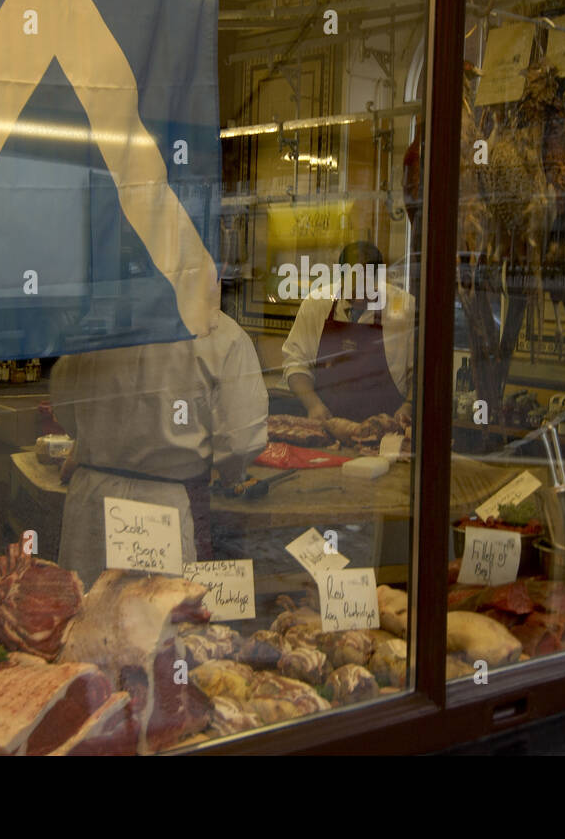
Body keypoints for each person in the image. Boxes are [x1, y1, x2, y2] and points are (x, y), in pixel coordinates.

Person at [50, 311, 268, 588]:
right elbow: (240, 442)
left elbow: (64, 406)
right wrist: (230, 475)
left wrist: (97, 442)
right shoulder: (221, 333)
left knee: (85, 619)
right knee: (160, 620)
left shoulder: (97, 323)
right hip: (164, 508)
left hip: (91, 503)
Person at [281, 240, 414, 424]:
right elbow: (296, 362)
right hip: (328, 426)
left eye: (367, 290)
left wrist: (408, 405)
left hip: (385, 430)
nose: (359, 297)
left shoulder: (404, 308)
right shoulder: (316, 305)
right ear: (340, 276)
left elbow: (419, 370)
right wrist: (313, 406)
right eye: (353, 289)